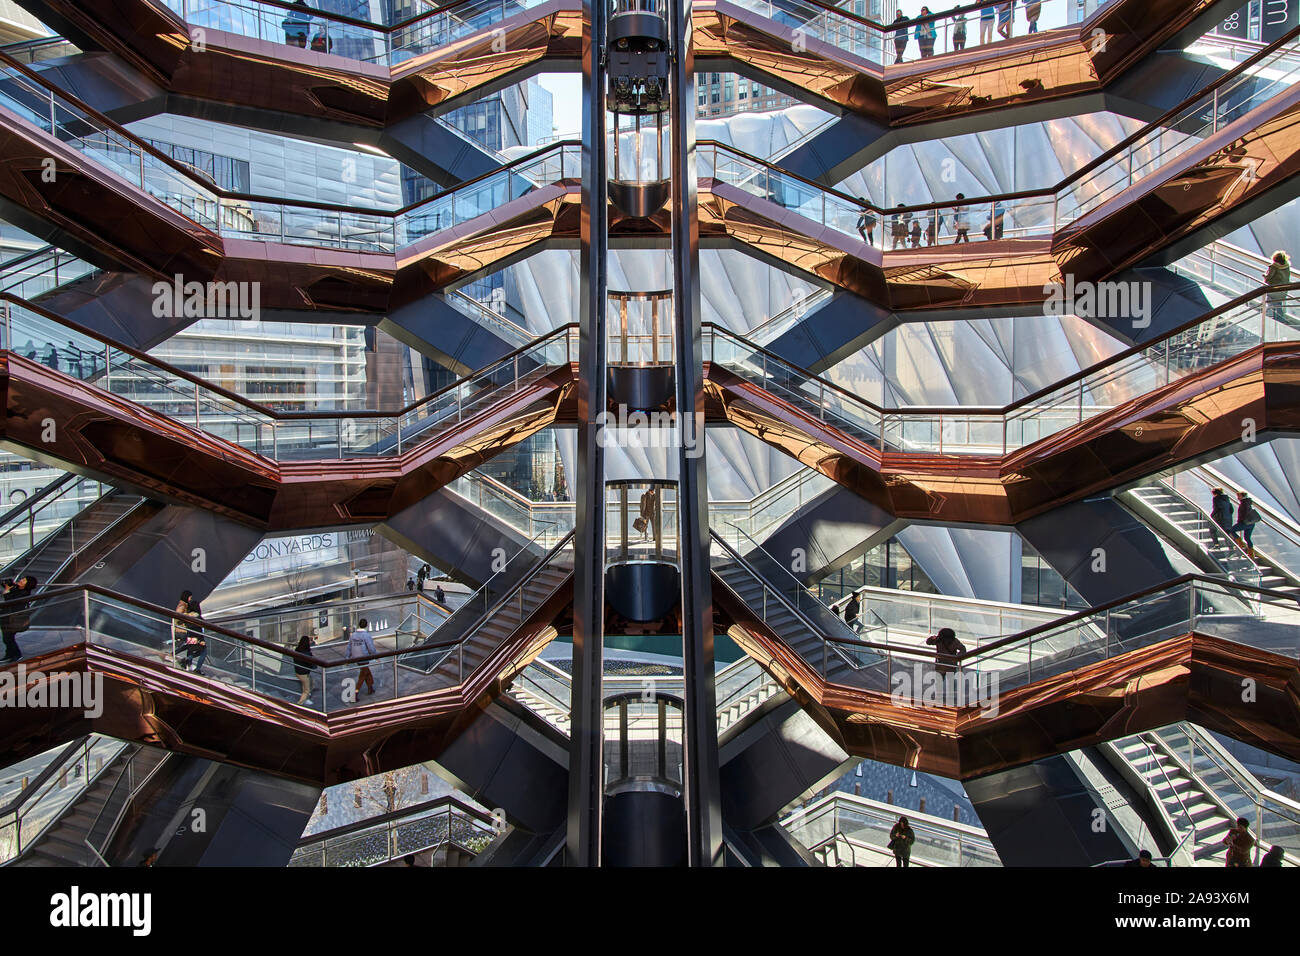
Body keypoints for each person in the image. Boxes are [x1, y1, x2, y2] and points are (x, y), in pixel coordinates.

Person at [0, 574, 36, 663]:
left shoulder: (24, 593)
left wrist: (7, 590)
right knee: (8, 638)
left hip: (13, 619)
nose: (21, 580)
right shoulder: (18, 589)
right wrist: (8, 584)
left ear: (28, 584)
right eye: (22, 579)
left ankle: (16, 655)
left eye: (24, 580)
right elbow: (6, 587)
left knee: (8, 638)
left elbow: (9, 601)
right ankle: (9, 654)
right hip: (8, 617)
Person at [926, 626, 967, 702]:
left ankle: (938, 698)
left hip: (940, 664)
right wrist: (957, 657)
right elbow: (963, 649)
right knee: (950, 682)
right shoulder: (954, 641)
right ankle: (950, 698)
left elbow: (928, 642)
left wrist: (932, 638)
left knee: (939, 682)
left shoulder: (939, 640)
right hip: (950, 665)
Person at [348, 617, 377, 696]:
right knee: (363, 674)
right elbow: (371, 648)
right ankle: (356, 692)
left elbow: (349, 647)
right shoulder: (366, 635)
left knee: (366, 671)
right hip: (364, 657)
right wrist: (376, 656)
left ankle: (370, 687)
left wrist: (347, 657)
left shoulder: (353, 635)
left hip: (355, 656)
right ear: (366, 625)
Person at [180, 593, 206, 674]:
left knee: (191, 650)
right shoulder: (197, 617)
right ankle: (197, 668)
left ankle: (187, 661)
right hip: (198, 637)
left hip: (190, 636)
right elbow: (203, 625)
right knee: (203, 652)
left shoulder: (187, 616)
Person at [1231, 491, 1261, 560]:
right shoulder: (1248, 502)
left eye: (1239, 496)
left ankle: (1241, 543)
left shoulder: (1244, 503)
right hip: (1251, 523)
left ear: (1242, 496)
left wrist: (1240, 521)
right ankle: (1251, 555)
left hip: (1245, 523)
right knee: (1247, 538)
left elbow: (1244, 514)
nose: (1237, 498)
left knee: (1232, 530)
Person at [1264, 250, 1290, 325]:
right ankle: (1279, 318)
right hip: (1283, 289)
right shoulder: (1287, 265)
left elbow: (1268, 278)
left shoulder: (1274, 267)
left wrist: (1264, 275)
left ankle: (1270, 317)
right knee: (1278, 303)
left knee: (1269, 302)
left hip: (1274, 289)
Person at [293, 635, 316, 705]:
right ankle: (300, 703)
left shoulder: (297, 649)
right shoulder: (306, 653)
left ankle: (306, 698)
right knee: (306, 690)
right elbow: (312, 664)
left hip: (298, 672)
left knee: (311, 683)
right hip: (304, 674)